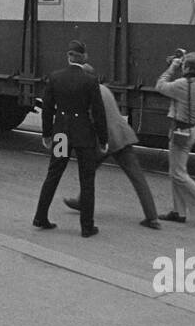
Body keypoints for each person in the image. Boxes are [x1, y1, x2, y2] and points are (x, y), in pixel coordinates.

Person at [63, 64, 161, 229]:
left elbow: (91, 120)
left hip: (105, 140)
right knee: (137, 178)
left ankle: (83, 203)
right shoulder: (104, 89)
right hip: (122, 135)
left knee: (88, 171)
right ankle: (152, 218)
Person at [31, 40, 108, 237]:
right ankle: (87, 226)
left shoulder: (55, 78)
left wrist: (47, 134)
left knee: (53, 173)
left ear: (69, 56)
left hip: (61, 134)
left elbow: (47, 109)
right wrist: (103, 138)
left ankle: (40, 216)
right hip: (83, 135)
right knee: (87, 179)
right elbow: (99, 112)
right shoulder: (91, 81)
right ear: (84, 58)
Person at [156, 50, 195, 226]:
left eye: (184, 66)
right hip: (192, 129)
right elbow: (189, 78)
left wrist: (172, 67)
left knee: (178, 173)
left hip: (180, 132)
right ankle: (179, 212)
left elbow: (160, 86)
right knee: (176, 172)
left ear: (188, 69)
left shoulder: (182, 85)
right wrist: (182, 63)